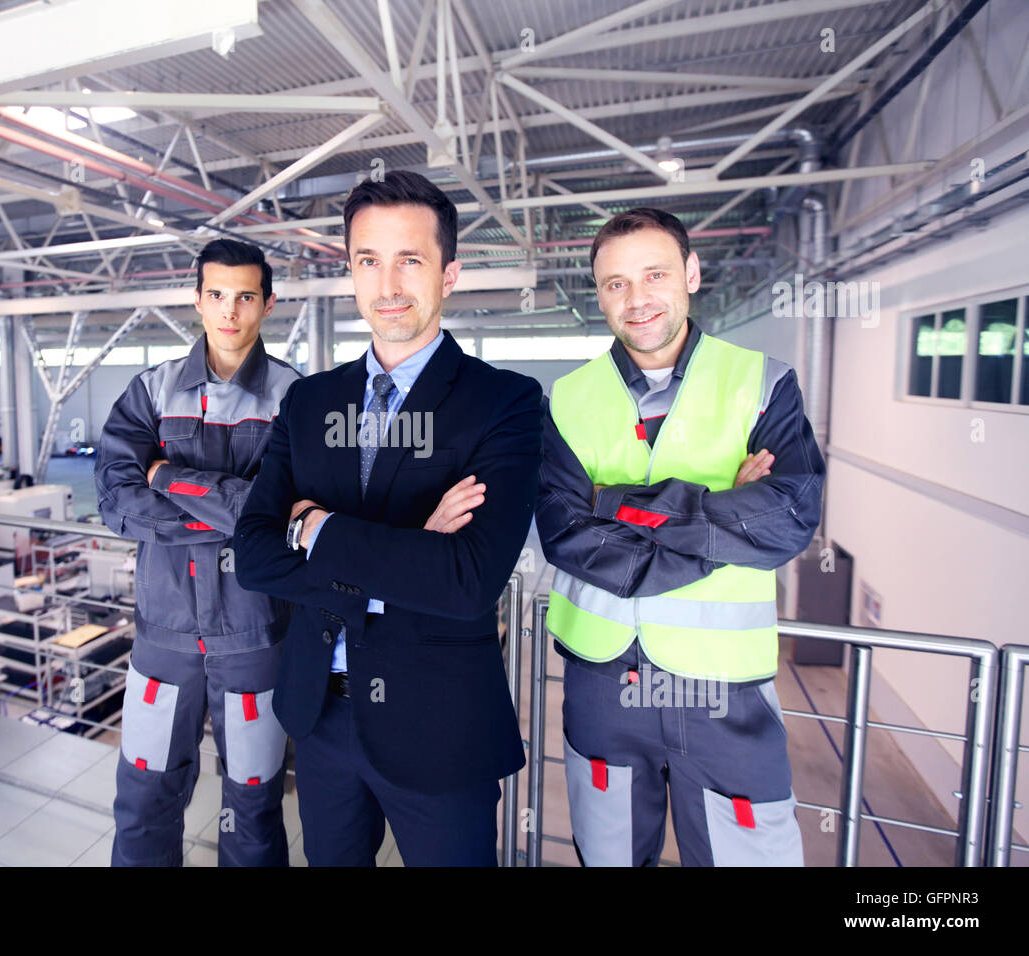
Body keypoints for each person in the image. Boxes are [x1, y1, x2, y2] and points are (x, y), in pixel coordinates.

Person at [233, 170, 542, 866]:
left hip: (441, 727)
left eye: (411, 259)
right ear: (349, 271)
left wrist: (315, 530)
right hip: (321, 717)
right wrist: (405, 556)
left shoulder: (505, 403)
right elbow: (252, 554)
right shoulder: (309, 403)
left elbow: (467, 581)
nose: (389, 284)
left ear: (450, 272)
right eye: (369, 260)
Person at [536, 207, 825, 867]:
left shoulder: (763, 383)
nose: (636, 300)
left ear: (691, 274)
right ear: (599, 294)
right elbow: (563, 533)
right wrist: (719, 510)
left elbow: (789, 515)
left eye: (654, 274)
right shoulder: (567, 400)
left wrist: (610, 502)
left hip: (724, 688)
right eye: (615, 284)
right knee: (607, 856)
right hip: (604, 683)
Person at [96, 238, 300, 866]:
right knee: (143, 802)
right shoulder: (151, 392)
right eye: (216, 295)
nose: (229, 311)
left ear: (267, 304)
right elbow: (113, 500)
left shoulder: (298, 397)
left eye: (245, 297)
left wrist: (164, 478)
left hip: (255, 639)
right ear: (197, 300)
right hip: (164, 637)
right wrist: (230, 513)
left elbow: (274, 514)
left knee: (254, 809)